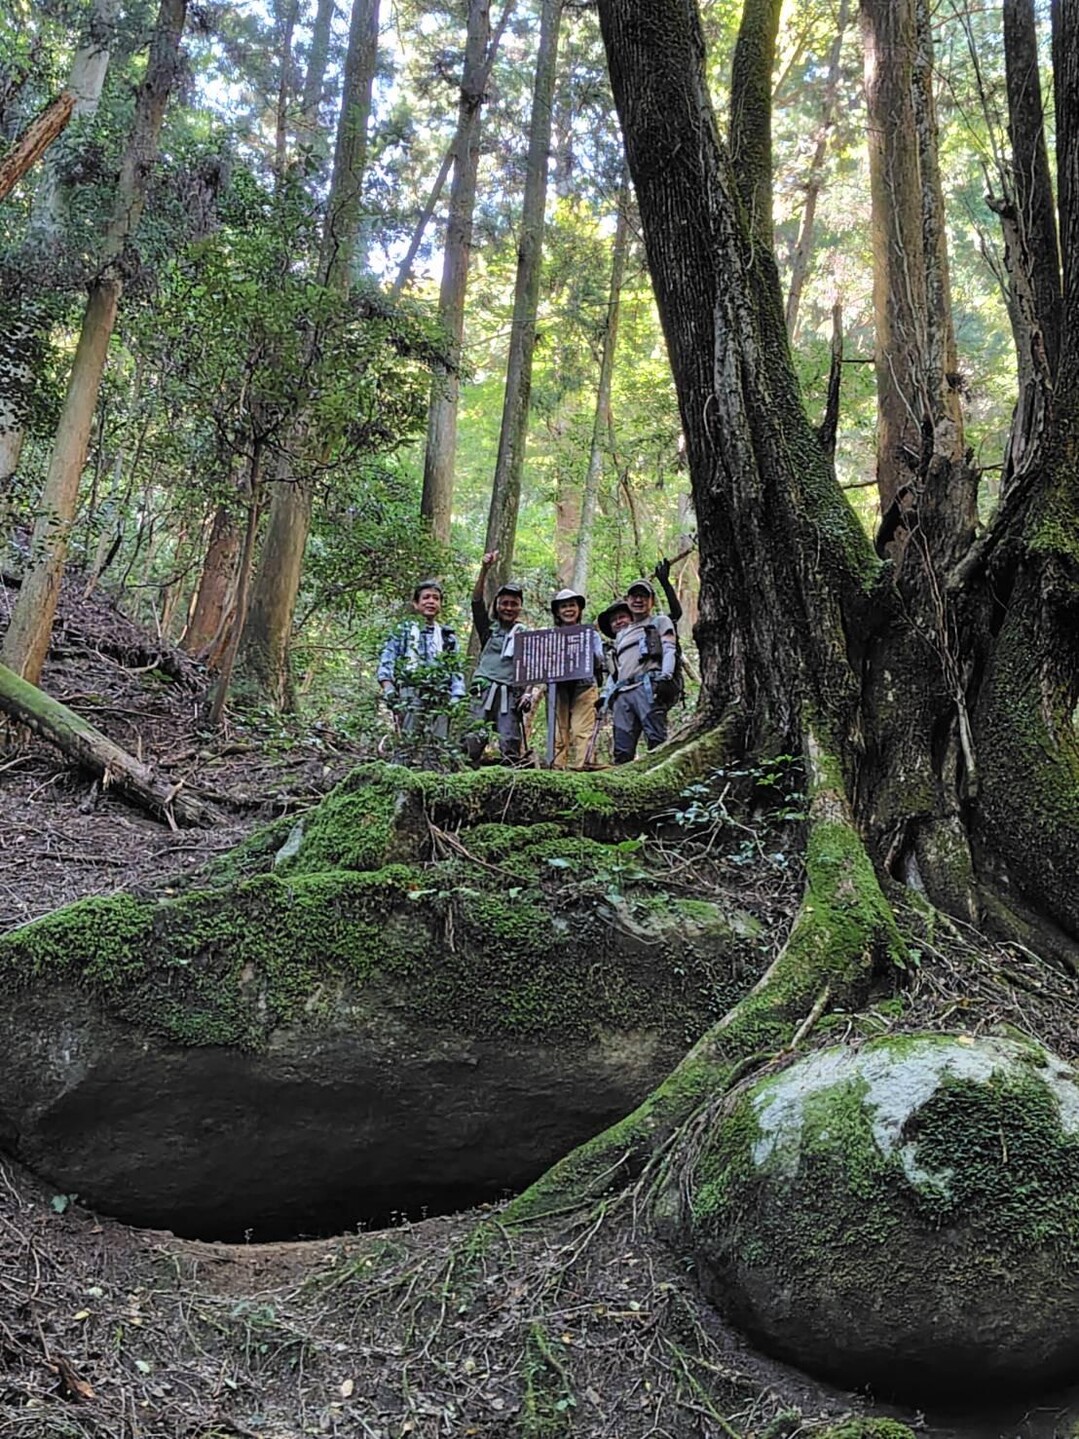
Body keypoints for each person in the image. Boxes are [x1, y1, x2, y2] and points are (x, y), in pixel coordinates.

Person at [376, 579, 465, 765]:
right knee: (407, 743)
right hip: (410, 692)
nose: (431, 601)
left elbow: (455, 669)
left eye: (436, 598)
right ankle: (399, 778)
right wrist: (389, 689)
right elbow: (387, 660)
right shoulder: (403, 631)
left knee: (436, 745)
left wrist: (456, 696)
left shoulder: (447, 636)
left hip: (440, 694)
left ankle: (434, 777)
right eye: (426, 597)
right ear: (416, 604)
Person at [465, 550, 533, 765]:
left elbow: (532, 667)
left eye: (514, 604)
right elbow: (476, 602)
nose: (508, 608)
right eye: (504, 603)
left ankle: (509, 779)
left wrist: (528, 693)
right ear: (497, 605)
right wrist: (484, 570)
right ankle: (466, 771)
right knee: (474, 736)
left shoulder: (525, 635)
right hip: (483, 688)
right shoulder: (489, 629)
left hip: (510, 693)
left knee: (509, 740)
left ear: (520, 607)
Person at [599, 579, 678, 763]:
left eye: (643, 596)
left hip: (647, 687)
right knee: (622, 749)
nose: (638, 600)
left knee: (656, 740)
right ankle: (622, 779)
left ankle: (658, 776)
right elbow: (616, 670)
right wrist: (605, 696)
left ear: (651, 601)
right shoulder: (622, 635)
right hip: (622, 693)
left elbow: (669, 648)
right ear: (628, 600)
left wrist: (666, 676)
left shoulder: (659, 621)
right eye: (634, 596)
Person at [549, 587, 606, 769]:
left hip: (585, 686)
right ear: (558, 612)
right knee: (559, 733)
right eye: (563, 606)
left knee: (581, 731)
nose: (568, 610)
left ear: (579, 609)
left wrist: (584, 647)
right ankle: (557, 770)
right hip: (559, 689)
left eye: (572, 605)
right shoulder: (551, 636)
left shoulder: (591, 634)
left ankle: (582, 769)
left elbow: (599, 660)